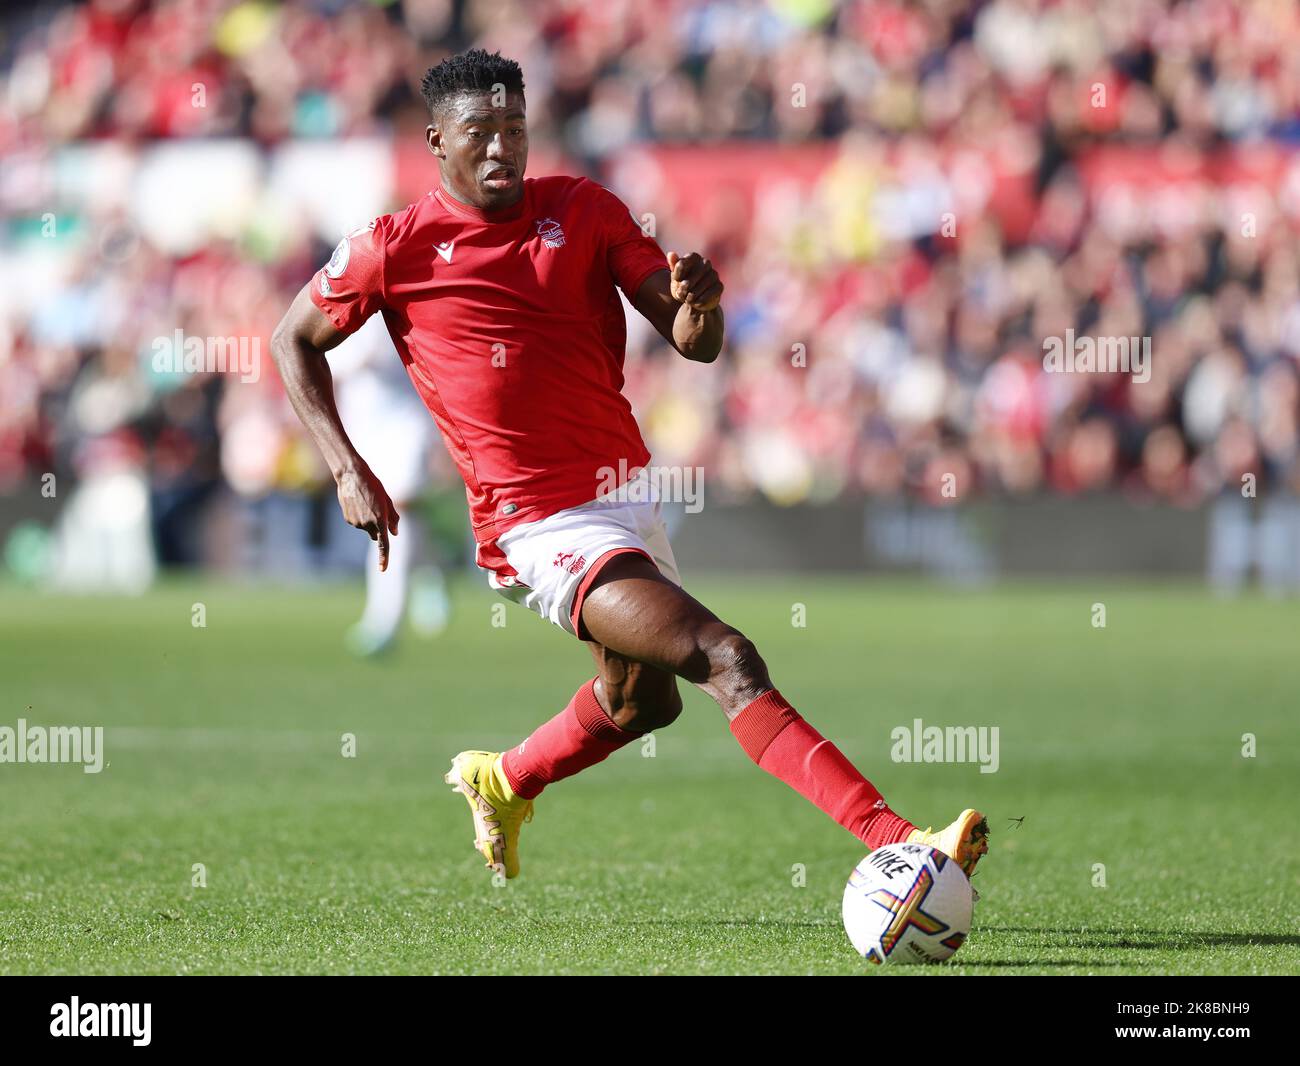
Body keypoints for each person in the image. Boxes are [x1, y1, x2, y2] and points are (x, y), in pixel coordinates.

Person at [270, 49, 988, 884]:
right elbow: (293, 339)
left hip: (627, 495)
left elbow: (694, 345)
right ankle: (899, 840)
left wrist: (702, 306)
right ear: (437, 141)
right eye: (480, 134)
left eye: (515, 130)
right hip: (537, 524)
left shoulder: (583, 208)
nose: (503, 149)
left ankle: (501, 780)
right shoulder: (393, 248)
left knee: (643, 705)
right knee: (727, 657)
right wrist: (346, 467)